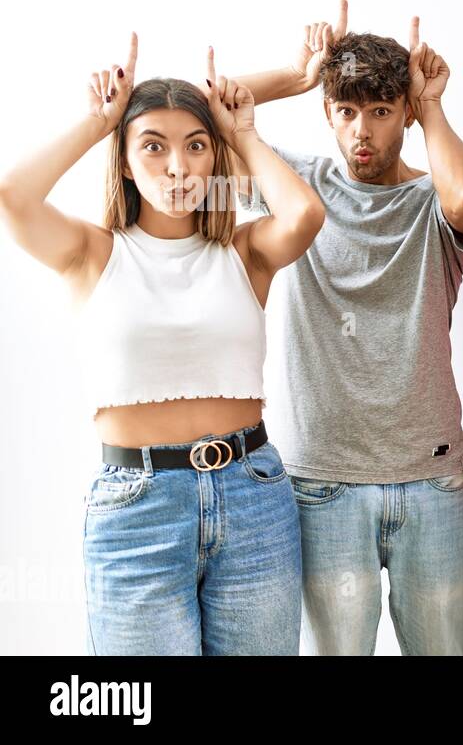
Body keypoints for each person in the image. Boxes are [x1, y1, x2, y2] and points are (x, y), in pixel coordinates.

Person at [0, 35, 325, 654]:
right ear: (123, 160)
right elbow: (12, 197)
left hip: (252, 494)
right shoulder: (91, 253)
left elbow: (305, 214)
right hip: (136, 510)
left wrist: (242, 133)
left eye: (196, 147)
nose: (178, 167)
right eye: (153, 147)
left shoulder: (244, 252)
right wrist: (98, 122)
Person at [234, 0, 463, 655]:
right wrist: (296, 75)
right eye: (346, 111)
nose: (362, 132)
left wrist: (431, 102)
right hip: (322, 485)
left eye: (380, 111)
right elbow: (208, 114)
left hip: (430, 483)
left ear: (402, 113)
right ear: (327, 111)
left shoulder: (431, 202)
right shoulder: (295, 187)